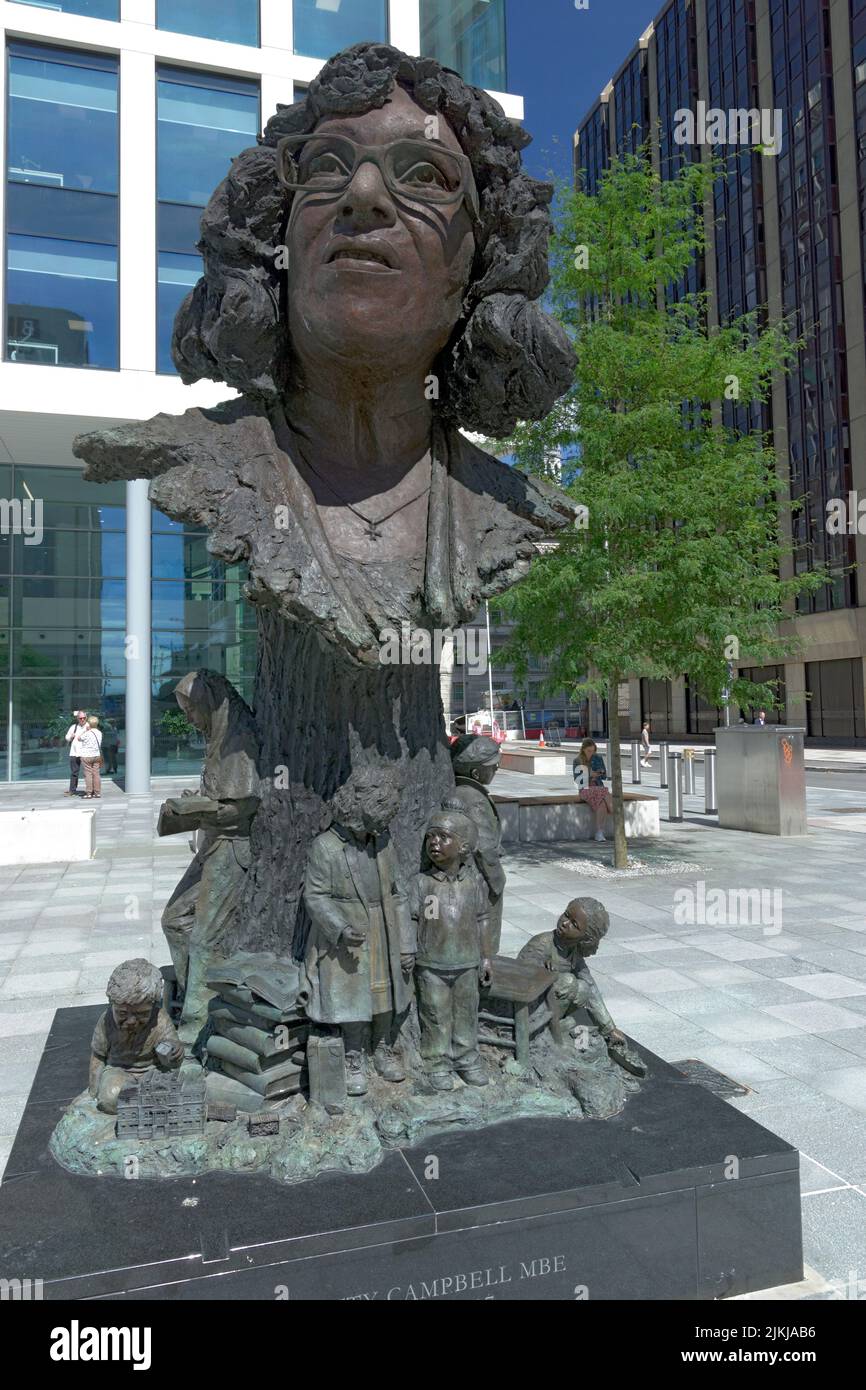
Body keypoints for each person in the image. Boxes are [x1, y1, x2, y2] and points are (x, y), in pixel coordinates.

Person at [159, 671, 260, 1042]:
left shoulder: (239, 737)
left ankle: (195, 1031)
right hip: (213, 844)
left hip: (233, 848)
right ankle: (197, 1000)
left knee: (205, 938)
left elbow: (241, 809)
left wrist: (196, 810)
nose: (188, 718)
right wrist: (195, 803)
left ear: (209, 704)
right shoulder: (216, 738)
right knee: (174, 920)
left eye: (191, 709)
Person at [303, 770, 415, 1097]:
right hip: (348, 934)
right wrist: (338, 928)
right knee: (353, 997)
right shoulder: (325, 847)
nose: (382, 827)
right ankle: (353, 1055)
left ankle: (382, 1046)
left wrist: (406, 942)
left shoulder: (383, 841)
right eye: (377, 820)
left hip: (384, 928)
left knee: (386, 993)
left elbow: (399, 892)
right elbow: (315, 896)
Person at [411, 808, 493, 1092]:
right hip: (431, 964)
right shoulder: (422, 883)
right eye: (430, 837)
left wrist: (485, 958)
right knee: (435, 1015)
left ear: (464, 847)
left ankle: (467, 1060)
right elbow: (411, 920)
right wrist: (409, 953)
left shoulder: (474, 883)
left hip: (467, 963)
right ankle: (437, 1063)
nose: (434, 843)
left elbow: (483, 919)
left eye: (444, 837)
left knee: (466, 1014)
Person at [89, 958, 184, 1115]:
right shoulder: (106, 1021)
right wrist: (94, 1091)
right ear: (111, 1005)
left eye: (142, 1014)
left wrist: (175, 1053)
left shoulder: (160, 1018)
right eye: (122, 1013)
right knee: (110, 1099)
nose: (132, 1021)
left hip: (155, 1071)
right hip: (119, 1070)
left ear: (153, 1007)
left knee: (174, 1098)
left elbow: (173, 1049)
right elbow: (98, 1056)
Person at [445, 734, 505, 954]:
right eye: (493, 766)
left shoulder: (461, 791)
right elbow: (485, 848)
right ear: (476, 773)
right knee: (486, 932)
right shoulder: (474, 800)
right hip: (480, 879)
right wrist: (498, 880)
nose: (496, 769)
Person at [573, 738, 613, 843]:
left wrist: (601, 772)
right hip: (585, 790)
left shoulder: (598, 758)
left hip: (598, 787)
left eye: (593, 751)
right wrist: (590, 776)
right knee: (604, 792)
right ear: (583, 750)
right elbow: (577, 780)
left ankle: (599, 833)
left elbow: (604, 776)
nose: (591, 753)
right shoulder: (578, 760)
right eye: (589, 751)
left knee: (602, 804)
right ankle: (613, 810)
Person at [63, 709, 88, 796]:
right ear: (77, 718)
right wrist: (71, 736)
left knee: (87, 772)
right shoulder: (74, 727)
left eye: (84, 718)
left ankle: (89, 790)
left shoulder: (88, 726)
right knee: (74, 772)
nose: (82, 720)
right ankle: (72, 790)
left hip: (85, 753)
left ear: (86, 718)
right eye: (80, 718)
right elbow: (66, 737)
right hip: (74, 752)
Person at [78, 715, 103, 799]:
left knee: (88, 774)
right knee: (96, 774)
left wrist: (85, 730)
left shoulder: (87, 733)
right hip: (96, 755)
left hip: (86, 756)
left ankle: (89, 793)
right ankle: (97, 793)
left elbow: (78, 738)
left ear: (89, 723)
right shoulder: (99, 733)